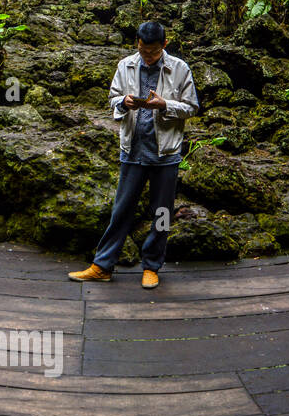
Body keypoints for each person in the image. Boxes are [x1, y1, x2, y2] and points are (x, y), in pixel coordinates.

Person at [72, 21, 197, 291]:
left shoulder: (179, 69)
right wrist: (123, 102)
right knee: (121, 210)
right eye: (142, 51)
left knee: (162, 212)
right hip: (132, 149)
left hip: (165, 153)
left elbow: (191, 107)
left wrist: (165, 104)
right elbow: (113, 98)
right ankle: (102, 265)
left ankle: (152, 266)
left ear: (164, 45)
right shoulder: (125, 65)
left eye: (152, 52)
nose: (146, 57)